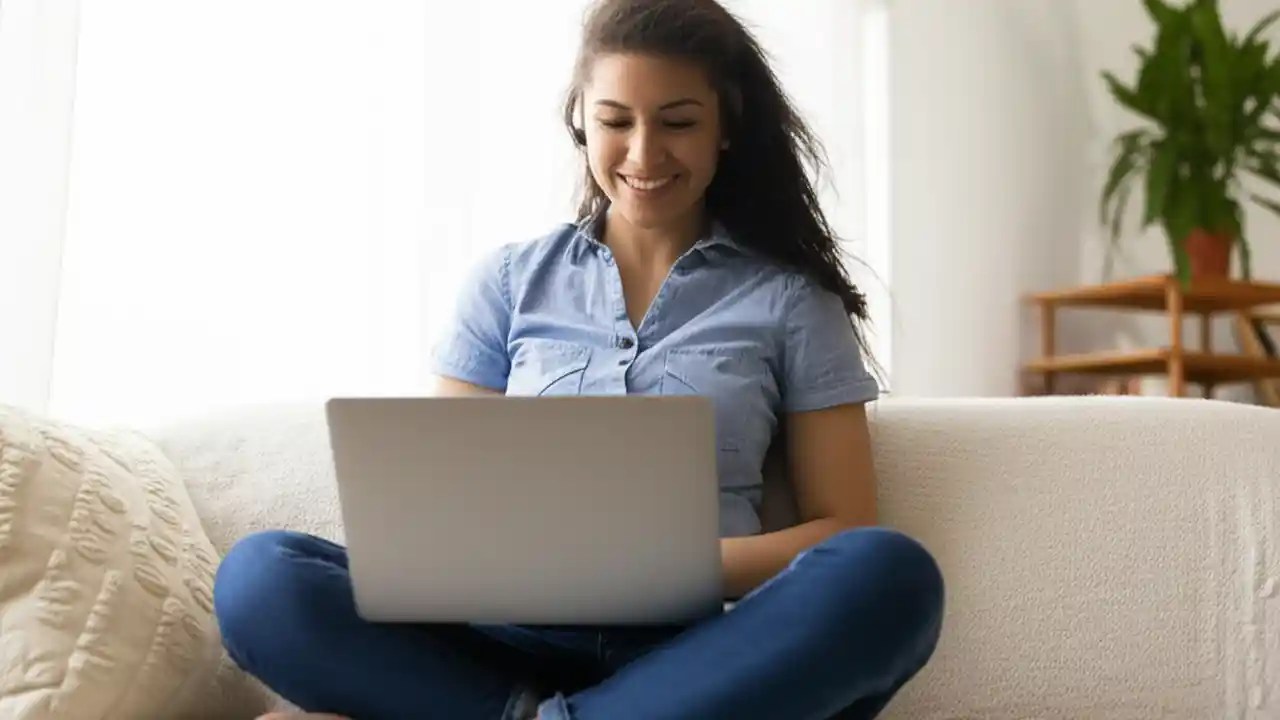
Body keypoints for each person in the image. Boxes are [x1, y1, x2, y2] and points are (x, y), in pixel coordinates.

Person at [212, 0, 945, 718]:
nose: (644, 154)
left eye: (678, 122)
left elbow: (844, 527)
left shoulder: (791, 301)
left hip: (696, 652)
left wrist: (668, 566)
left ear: (726, 127)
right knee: (261, 580)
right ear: (580, 122)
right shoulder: (508, 283)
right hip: (501, 644)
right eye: (616, 122)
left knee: (889, 575)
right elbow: (447, 521)